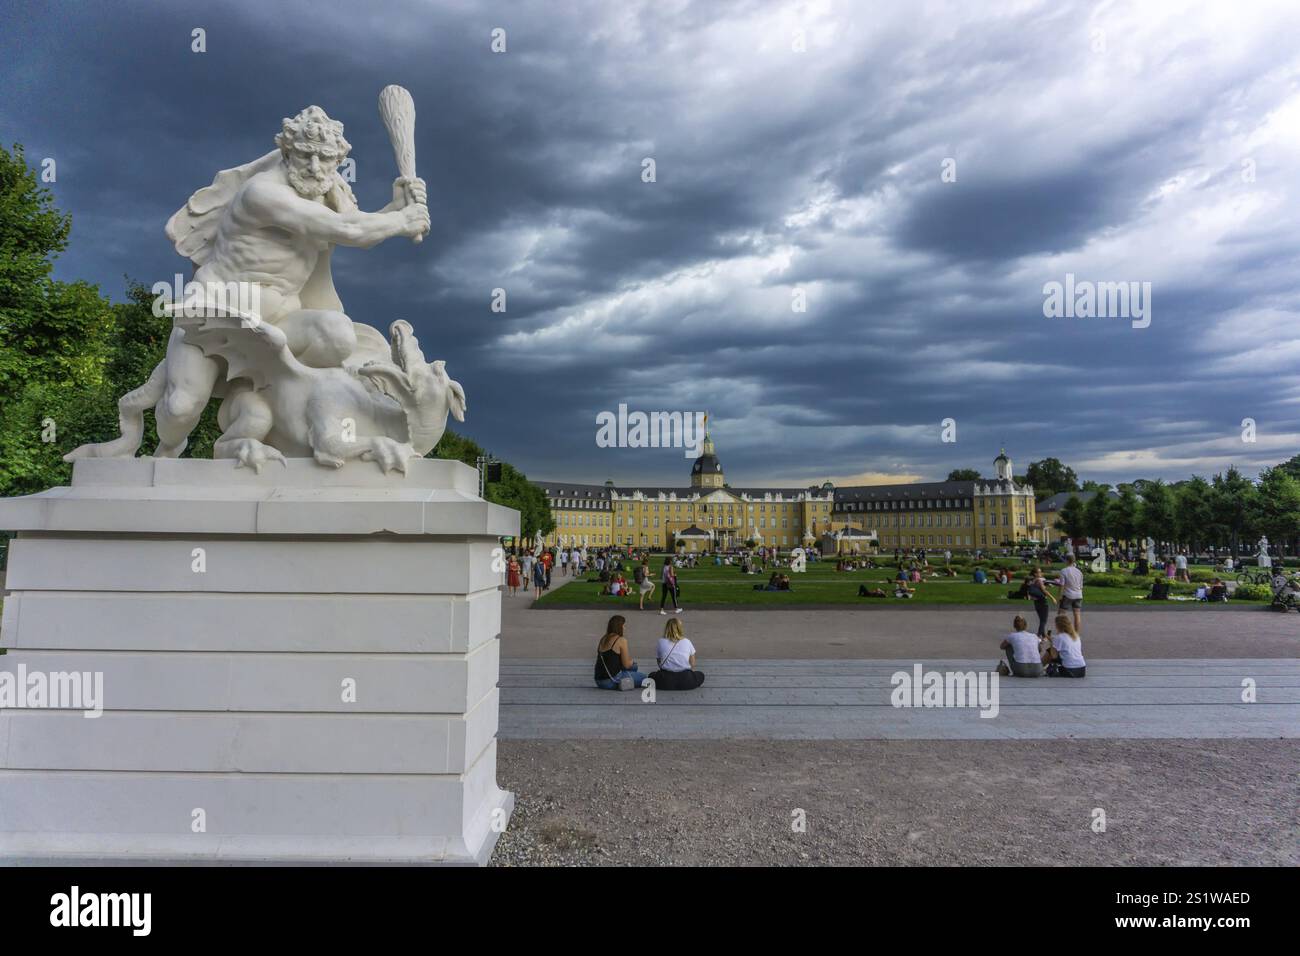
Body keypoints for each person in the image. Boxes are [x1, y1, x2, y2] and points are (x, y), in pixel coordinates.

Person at [649, 617, 705, 690]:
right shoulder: (687, 642)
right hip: (685, 679)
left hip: (666, 680)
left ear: (667, 628)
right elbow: (692, 663)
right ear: (680, 628)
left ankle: (670, 684)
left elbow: (659, 662)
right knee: (700, 675)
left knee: (651, 675)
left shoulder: (661, 642)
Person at [594, 615, 646, 690]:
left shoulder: (603, 638)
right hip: (611, 681)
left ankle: (629, 675)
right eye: (624, 626)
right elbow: (627, 665)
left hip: (599, 681)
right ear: (619, 627)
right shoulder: (621, 640)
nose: (625, 628)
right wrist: (631, 662)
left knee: (634, 667)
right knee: (644, 677)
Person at [1043, 613, 1086, 678]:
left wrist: (1051, 642)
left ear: (1058, 626)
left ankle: (1039, 667)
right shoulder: (1076, 636)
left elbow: (1054, 656)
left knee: (1049, 651)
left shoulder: (1059, 637)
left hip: (1070, 670)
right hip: (1082, 670)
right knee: (1059, 651)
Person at [1055, 553, 1084, 633]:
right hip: (1078, 595)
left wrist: (1059, 596)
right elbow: (1081, 586)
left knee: (1061, 614)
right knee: (1077, 614)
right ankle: (1076, 634)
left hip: (1068, 595)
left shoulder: (1064, 571)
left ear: (1067, 560)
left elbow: (1062, 585)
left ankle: (1061, 632)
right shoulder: (1079, 572)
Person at [1026, 566, 1056, 637]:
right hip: (1043, 602)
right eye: (1039, 572)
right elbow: (1044, 591)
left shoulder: (1032, 581)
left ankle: (1043, 634)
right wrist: (1052, 598)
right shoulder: (1039, 581)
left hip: (1037, 602)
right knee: (1043, 620)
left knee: (1042, 619)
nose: (1041, 573)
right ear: (1035, 574)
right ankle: (1038, 636)